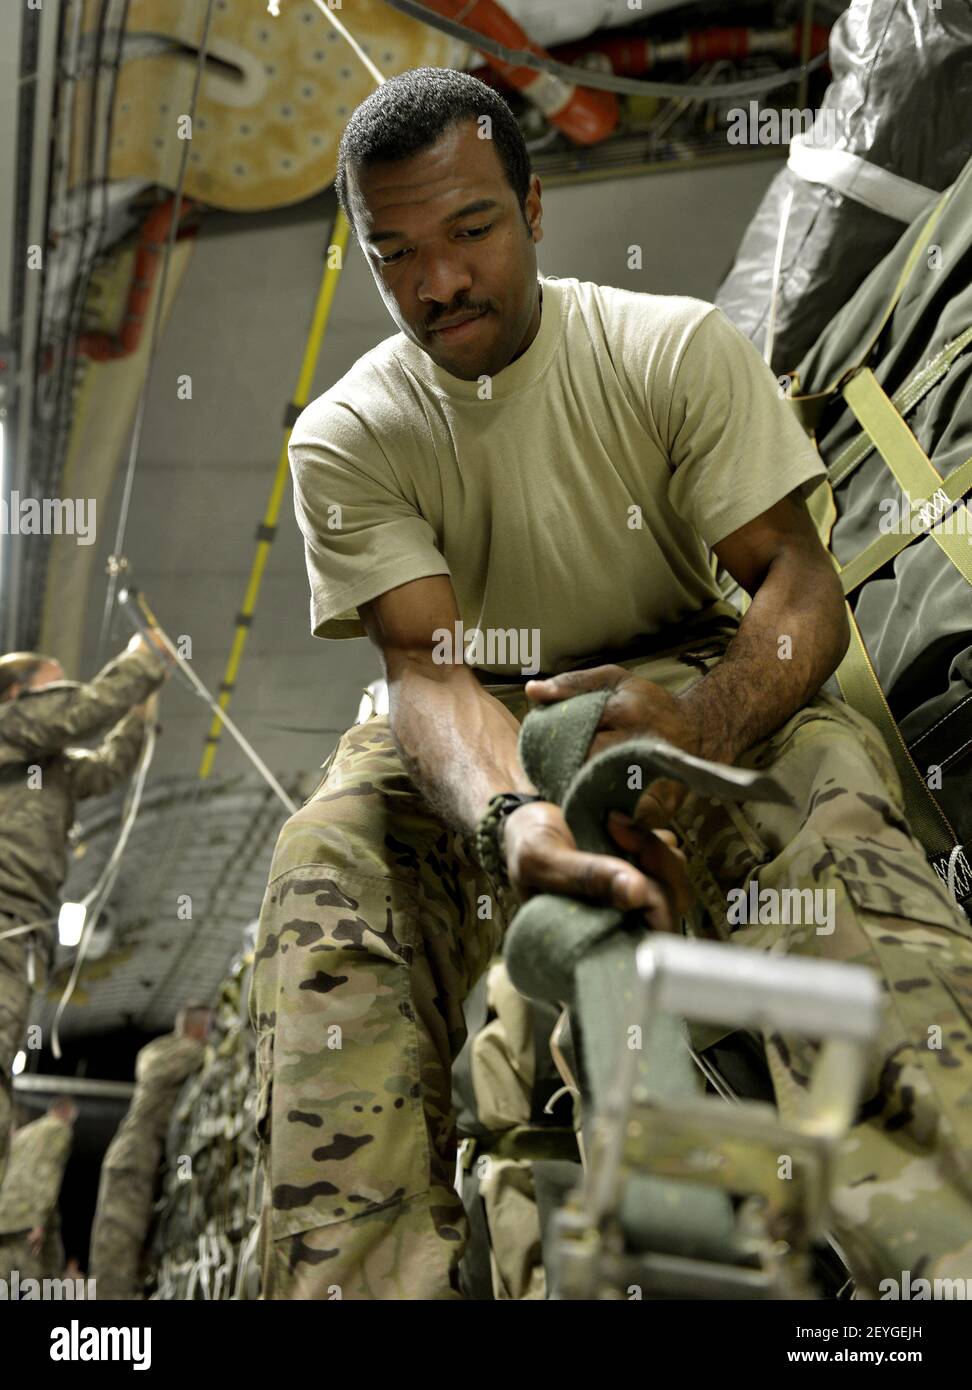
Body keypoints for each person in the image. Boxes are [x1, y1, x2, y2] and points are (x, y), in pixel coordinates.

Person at [250, 67, 972, 1300]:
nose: (438, 282)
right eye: (397, 254)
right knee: (325, 867)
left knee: (832, 798)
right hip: (475, 704)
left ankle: (941, 1245)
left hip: (687, 662)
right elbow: (423, 671)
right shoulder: (349, 432)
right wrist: (509, 816)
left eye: (470, 230)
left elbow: (798, 587)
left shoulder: (671, 349)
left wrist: (701, 726)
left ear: (534, 208)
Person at [0, 630, 174, 1185]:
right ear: (14, 694)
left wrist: (142, 704)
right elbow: (78, 714)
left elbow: (110, 765)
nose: (62, 698)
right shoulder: (7, 727)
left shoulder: (47, 766)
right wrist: (141, 659)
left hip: (19, 930)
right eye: (51, 689)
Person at [88, 1005, 212, 1300]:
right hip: (133, 1157)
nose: (210, 1035)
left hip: (148, 1160)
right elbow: (204, 1055)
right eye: (209, 1028)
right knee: (117, 1248)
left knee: (136, 1253)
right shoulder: (167, 1053)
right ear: (197, 1028)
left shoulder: (169, 1051)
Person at [0, 1095, 77, 1285]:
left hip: (5, 1217)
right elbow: (48, 1173)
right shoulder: (58, 1130)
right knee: (44, 1283)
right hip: (29, 1218)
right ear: (66, 1113)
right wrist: (39, 1221)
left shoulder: (24, 1134)